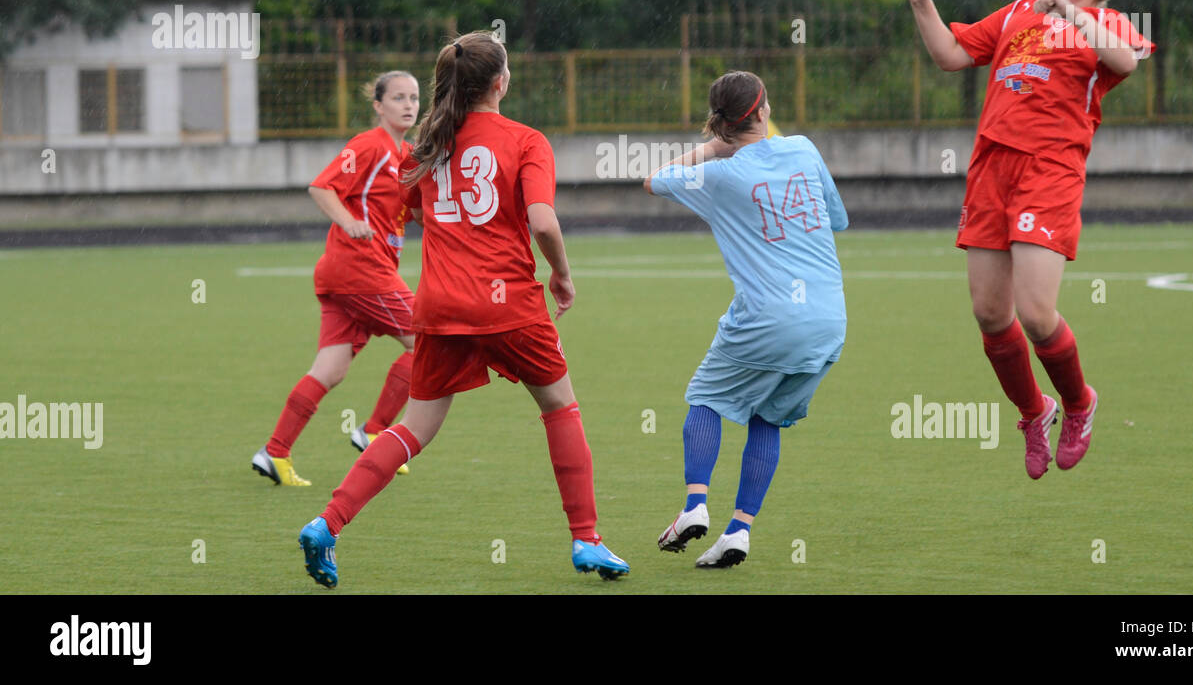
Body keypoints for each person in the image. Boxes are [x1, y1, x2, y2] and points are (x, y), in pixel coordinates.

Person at [297, 31, 628, 587]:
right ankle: (587, 540)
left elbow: (410, 210)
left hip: (440, 304)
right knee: (559, 409)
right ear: (500, 82)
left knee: (414, 428)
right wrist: (562, 276)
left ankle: (326, 525)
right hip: (508, 303)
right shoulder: (525, 140)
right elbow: (543, 221)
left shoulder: (428, 145)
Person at [901, 0, 1154, 479]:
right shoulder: (1019, 10)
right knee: (991, 314)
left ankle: (1080, 402)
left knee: (1037, 313)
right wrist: (923, 4)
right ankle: (1035, 412)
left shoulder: (1108, 24)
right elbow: (951, 54)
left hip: (1050, 170)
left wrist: (1072, 13)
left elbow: (1126, 62)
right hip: (992, 167)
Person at [644, 70, 847, 568]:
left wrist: (713, 149)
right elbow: (836, 219)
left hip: (766, 317)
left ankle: (695, 505)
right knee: (768, 417)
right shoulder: (804, 149)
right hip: (828, 320)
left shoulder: (718, 172)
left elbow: (653, 181)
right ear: (763, 110)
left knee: (706, 397)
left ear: (720, 123)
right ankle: (739, 531)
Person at [251, 71, 420, 486]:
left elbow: (417, 212)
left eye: (414, 97)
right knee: (430, 340)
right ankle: (376, 430)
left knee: (330, 369)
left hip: (348, 276)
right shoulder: (369, 145)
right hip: (360, 270)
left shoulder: (409, 154)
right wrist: (350, 222)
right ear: (378, 105)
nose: (408, 104)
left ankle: (275, 453)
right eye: (398, 97)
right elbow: (322, 187)